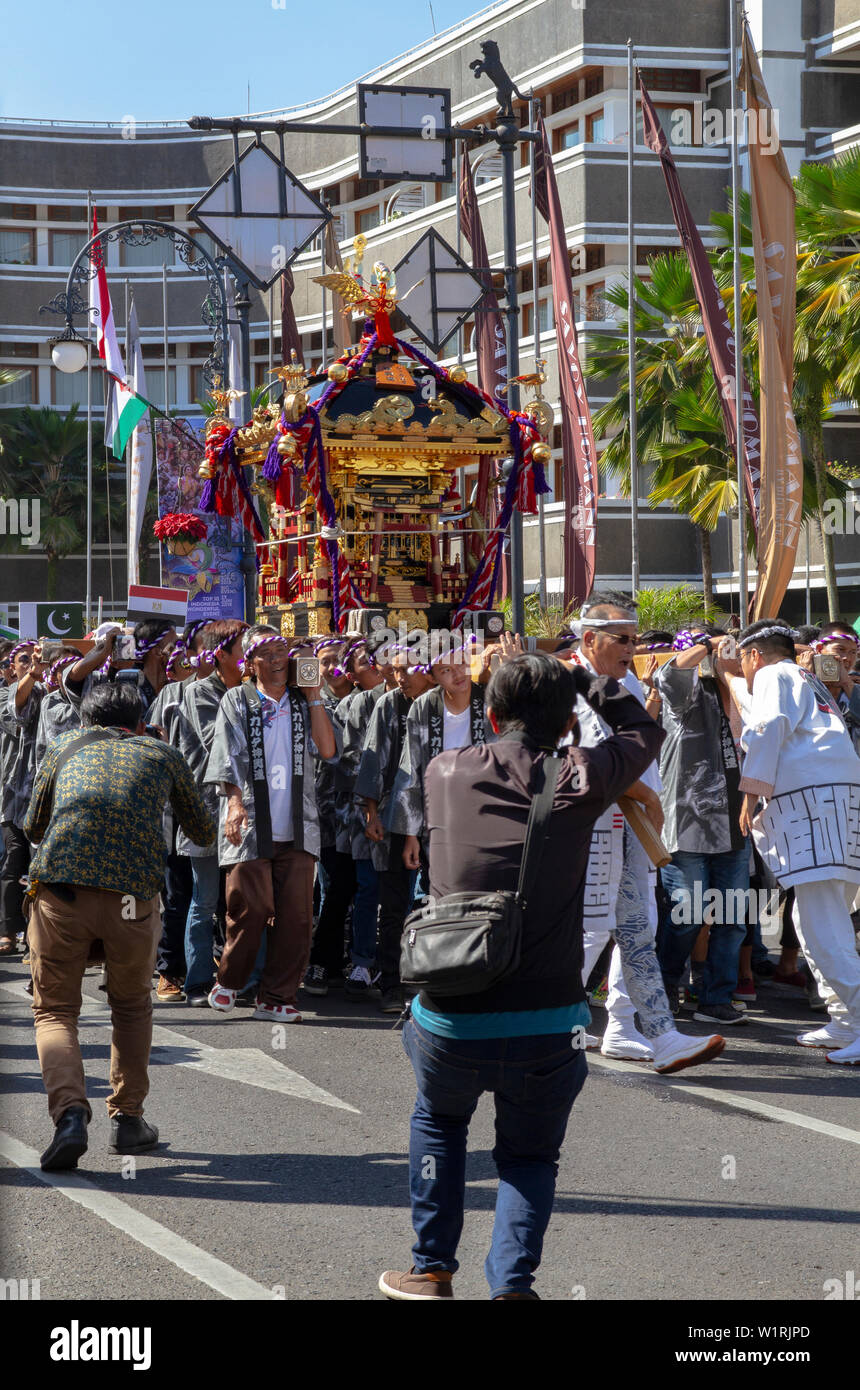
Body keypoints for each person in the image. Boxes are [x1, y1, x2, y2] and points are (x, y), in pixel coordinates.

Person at [379, 652, 667, 1301]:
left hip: (451, 1011)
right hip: (549, 1020)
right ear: (569, 723)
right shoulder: (580, 774)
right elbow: (645, 733)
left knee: (439, 1118)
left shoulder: (443, 770)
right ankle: (511, 1286)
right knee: (530, 1159)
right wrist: (588, 674)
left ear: (489, 713)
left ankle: (430, 1270)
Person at [23, 682, 215, 1171]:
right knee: (130, 1008)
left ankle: (69, 1115)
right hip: (133, 898)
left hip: (62, 892)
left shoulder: (63, 746)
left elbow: (32, 824)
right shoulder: (162, 752)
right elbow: (203, 831)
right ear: (140, 722)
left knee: (55, 1012)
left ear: (86, 721)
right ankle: (128, 1122)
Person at [570, 598, 725, 1069]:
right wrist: (651, 799)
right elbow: (593, 761)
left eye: (634, 638)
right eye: (622, 638)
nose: (632, 647)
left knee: (639, 932)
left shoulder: (627, 683)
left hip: (631, 830)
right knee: (588, 935)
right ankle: (535, 1027)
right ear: (589, 639)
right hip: (589, 831)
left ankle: (639, 1029)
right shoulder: (569, 684)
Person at [737, 619, 860, 1065]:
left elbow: (767, 727)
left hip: (816, 804)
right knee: (819, 923)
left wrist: (751, 792)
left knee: (823, 924)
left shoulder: (774, 674)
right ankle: (844, 1020)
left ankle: (858, 1021)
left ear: (754, 655)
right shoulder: (808, 676)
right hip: (836, 801)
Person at [204, 625, 336, 1023]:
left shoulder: (304, 701)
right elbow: (227, 755)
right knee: (251, 907)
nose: (279, 659)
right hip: (250, 822)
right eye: (269, 653)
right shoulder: (237, 700)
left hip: (299, 823)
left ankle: (277, 996)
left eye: (283, 651)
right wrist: (233, 802)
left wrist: (314, 697)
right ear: (252, 663)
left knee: (297, 916)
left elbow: (328, 750)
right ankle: (229, 979)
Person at [654, 626, 751, 1025]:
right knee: (687, 916)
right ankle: (663, 987)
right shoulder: (685, 695)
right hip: (689, 825)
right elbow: (671, 672)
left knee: (733, 917)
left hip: (736, 823)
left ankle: (716, 999)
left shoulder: (743, 691)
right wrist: (708, 647)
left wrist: (735, 664)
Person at [356, 648, 435, 1012]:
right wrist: (371, 813)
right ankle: (391, 984)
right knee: (392, 906)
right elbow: (372, 757)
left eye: (407, 670)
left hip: (441, 815)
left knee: (436, 903)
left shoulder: (444, 702)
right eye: (396, 669)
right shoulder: (390, 703)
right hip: (394, 813)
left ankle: (435, 981)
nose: (398, 677)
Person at [173, 620, 246, 1005]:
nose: (251, 658)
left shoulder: (257, 691)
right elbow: (215, 740)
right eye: (244, 650)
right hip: (204, 811)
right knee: (204, 900)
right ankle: (197, 981)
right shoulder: (200, 692)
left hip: (248, 808)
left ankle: (245, 980)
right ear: (221, 654)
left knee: (247, 900)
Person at [0, 640, 47, 955]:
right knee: (12, 863)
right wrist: (32, 673)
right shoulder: (5, 694)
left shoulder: (47, 694)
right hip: (13, 795)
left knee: (39, 867)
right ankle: (7, 931)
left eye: (32, 658)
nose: (28, 663)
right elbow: (17, 710)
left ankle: (36, 933)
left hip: (43, 795)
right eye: (21, 660)